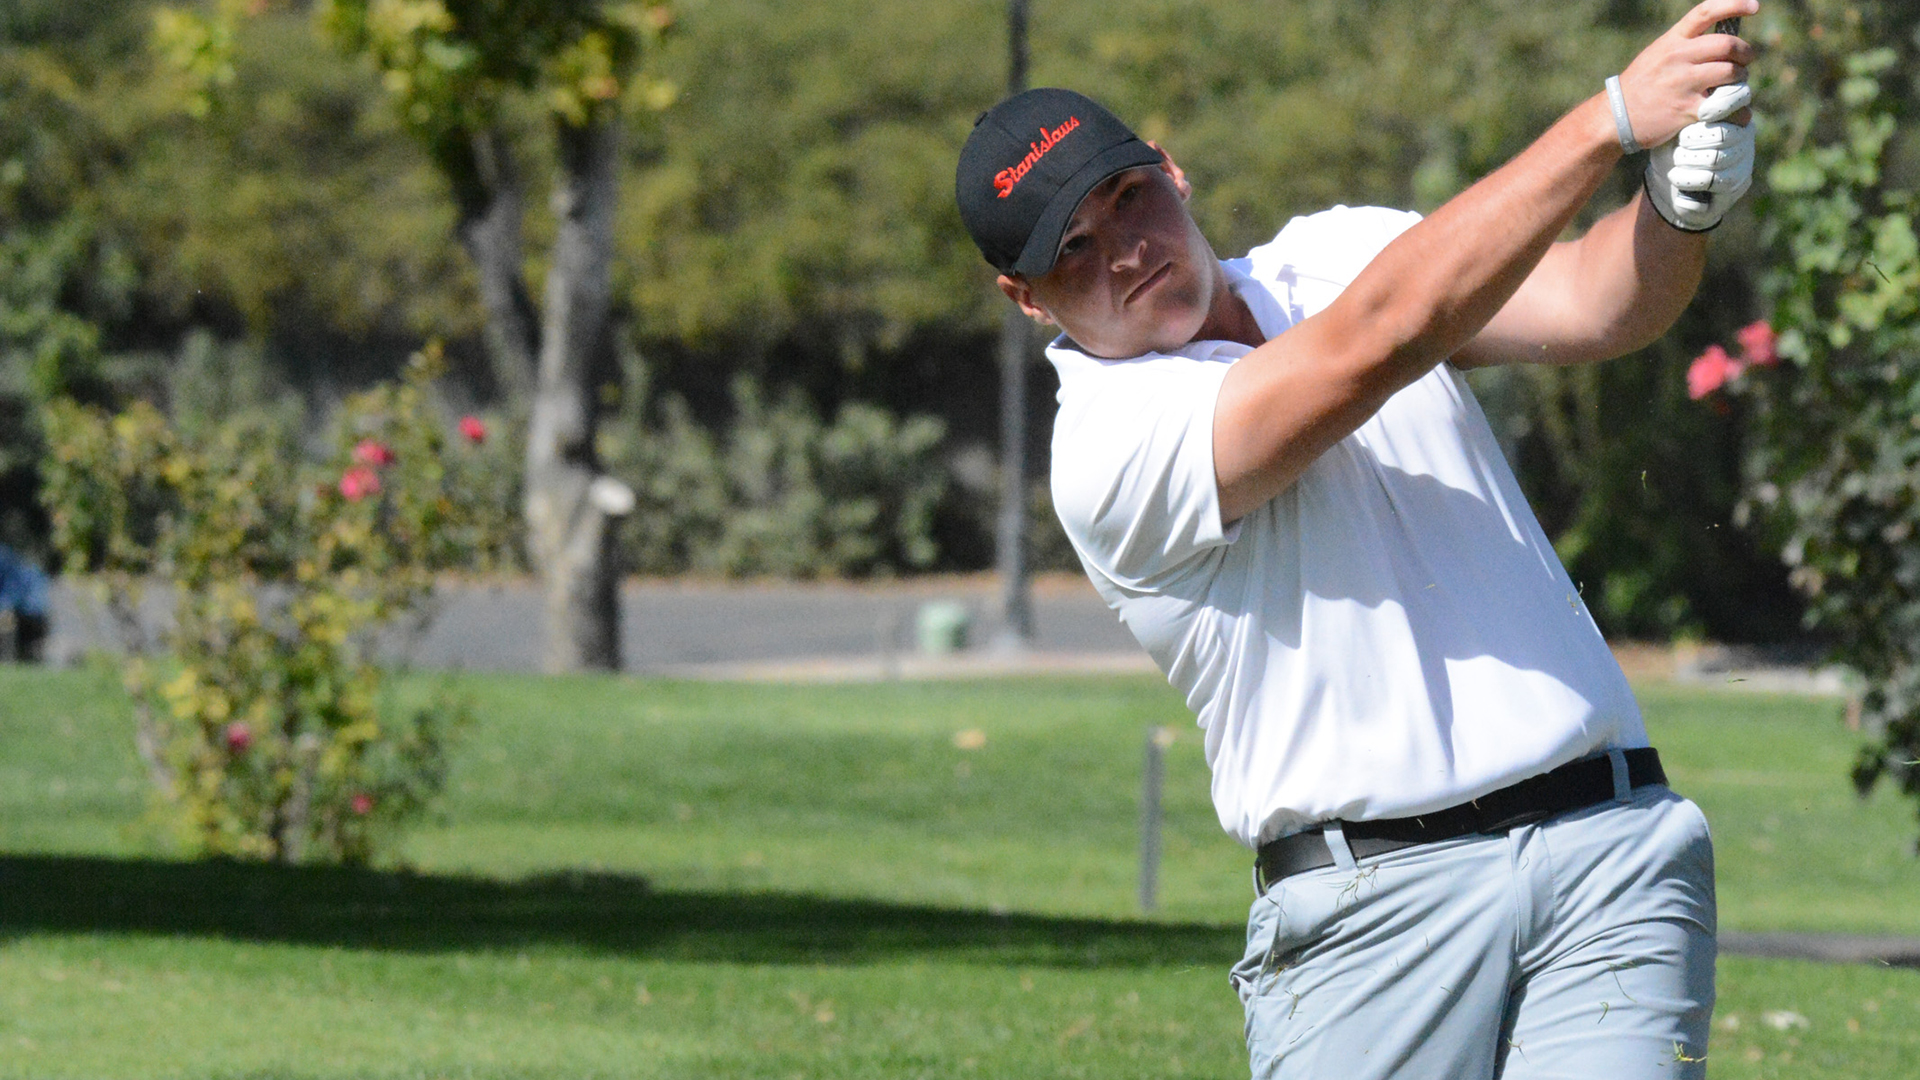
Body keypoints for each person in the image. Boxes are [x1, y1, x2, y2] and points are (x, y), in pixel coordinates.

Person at [953, 2, 1759, 1077]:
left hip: (1607, 852)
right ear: (1026, 300)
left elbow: (1592, 301)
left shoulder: (1340, 252)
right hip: (1373, 919)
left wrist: (1676, 203)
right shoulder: (1106, 446)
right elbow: (1372, 345)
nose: (1129, 253)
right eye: (1075, 250)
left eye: (1128, 198)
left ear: (1172, 170)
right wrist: (1608, 120)